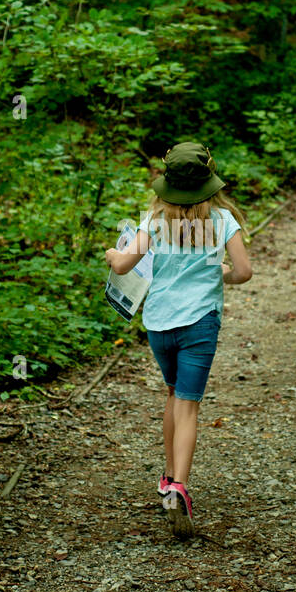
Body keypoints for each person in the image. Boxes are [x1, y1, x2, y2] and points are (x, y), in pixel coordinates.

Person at [105, 141, 252, 539]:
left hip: (159, 326)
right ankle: (178, 487)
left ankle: (167, 475)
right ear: (209, 180)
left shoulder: (152, 221)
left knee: (172, 393)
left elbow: (122, 263)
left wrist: (109, 253)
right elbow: (243, 271)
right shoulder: (223, 221)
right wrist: (216, 272)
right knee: (188, 404)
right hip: (200, 323)